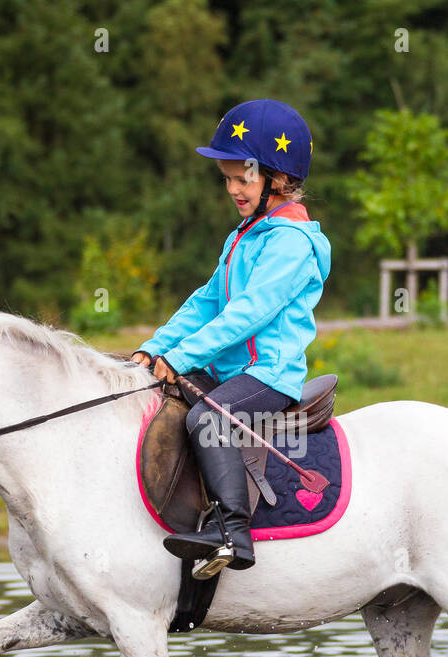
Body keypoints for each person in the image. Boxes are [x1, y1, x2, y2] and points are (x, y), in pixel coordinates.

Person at [132, 99, 331, 576]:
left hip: (268, 375)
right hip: (231, 368)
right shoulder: (247, 232)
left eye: (243, 178)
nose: (233, 189)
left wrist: (181, 356)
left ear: (277, 180)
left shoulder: (290, 244)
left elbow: (246, 315)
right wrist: (155, 348)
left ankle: (232, 532)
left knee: (206, 418)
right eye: (227, 178)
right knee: (152, 395)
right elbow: (208, 300)